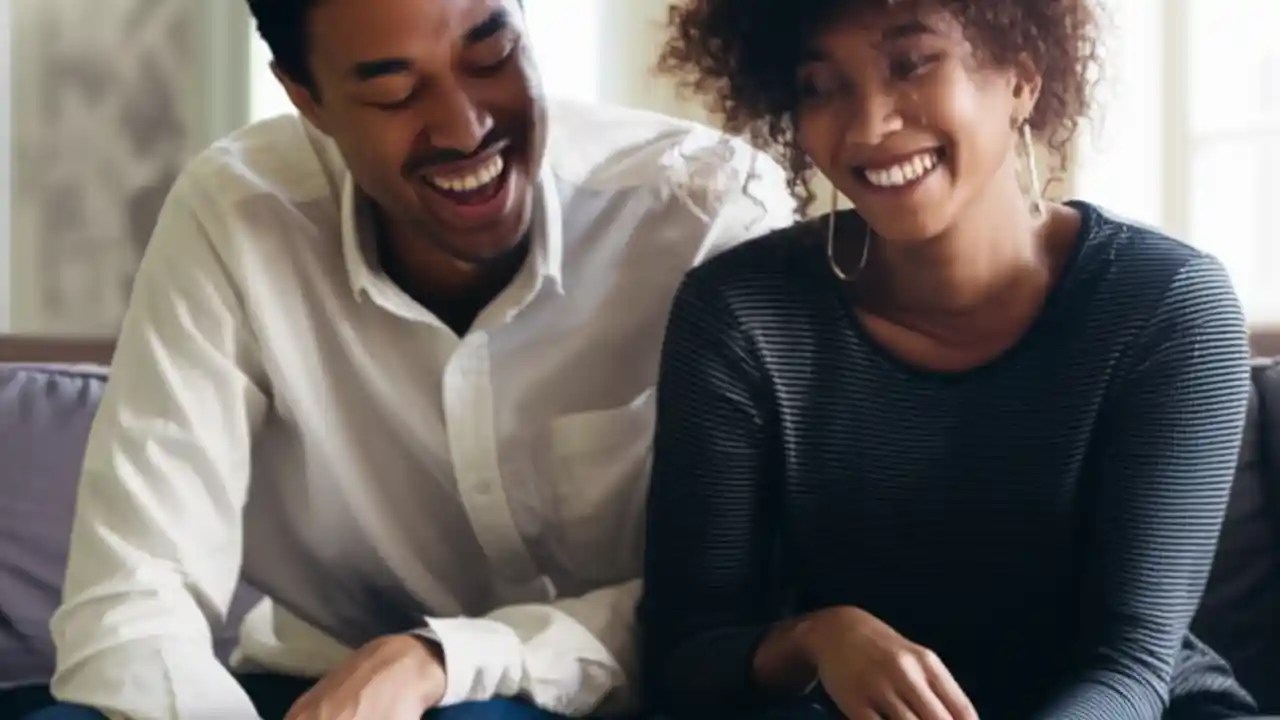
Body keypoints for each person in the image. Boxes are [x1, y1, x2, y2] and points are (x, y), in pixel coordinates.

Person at [34, 0, 794, 718]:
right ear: (307, 99)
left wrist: (445, 659)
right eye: (393, 92)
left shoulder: (704, 210)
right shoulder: (236, 216)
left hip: (605, 689)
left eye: (492, 54)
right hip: (314, 687)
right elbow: (134, 593)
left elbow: (739, 595)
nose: (464, 129)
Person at [641, 0, 1263, 718]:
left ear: (1022, 80)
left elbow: (1132, 664)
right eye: (822, 85)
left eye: (912, 65)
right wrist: (819, 638)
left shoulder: (1166, 305)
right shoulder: (740, 315)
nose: (869, 126)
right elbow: (684, 660)